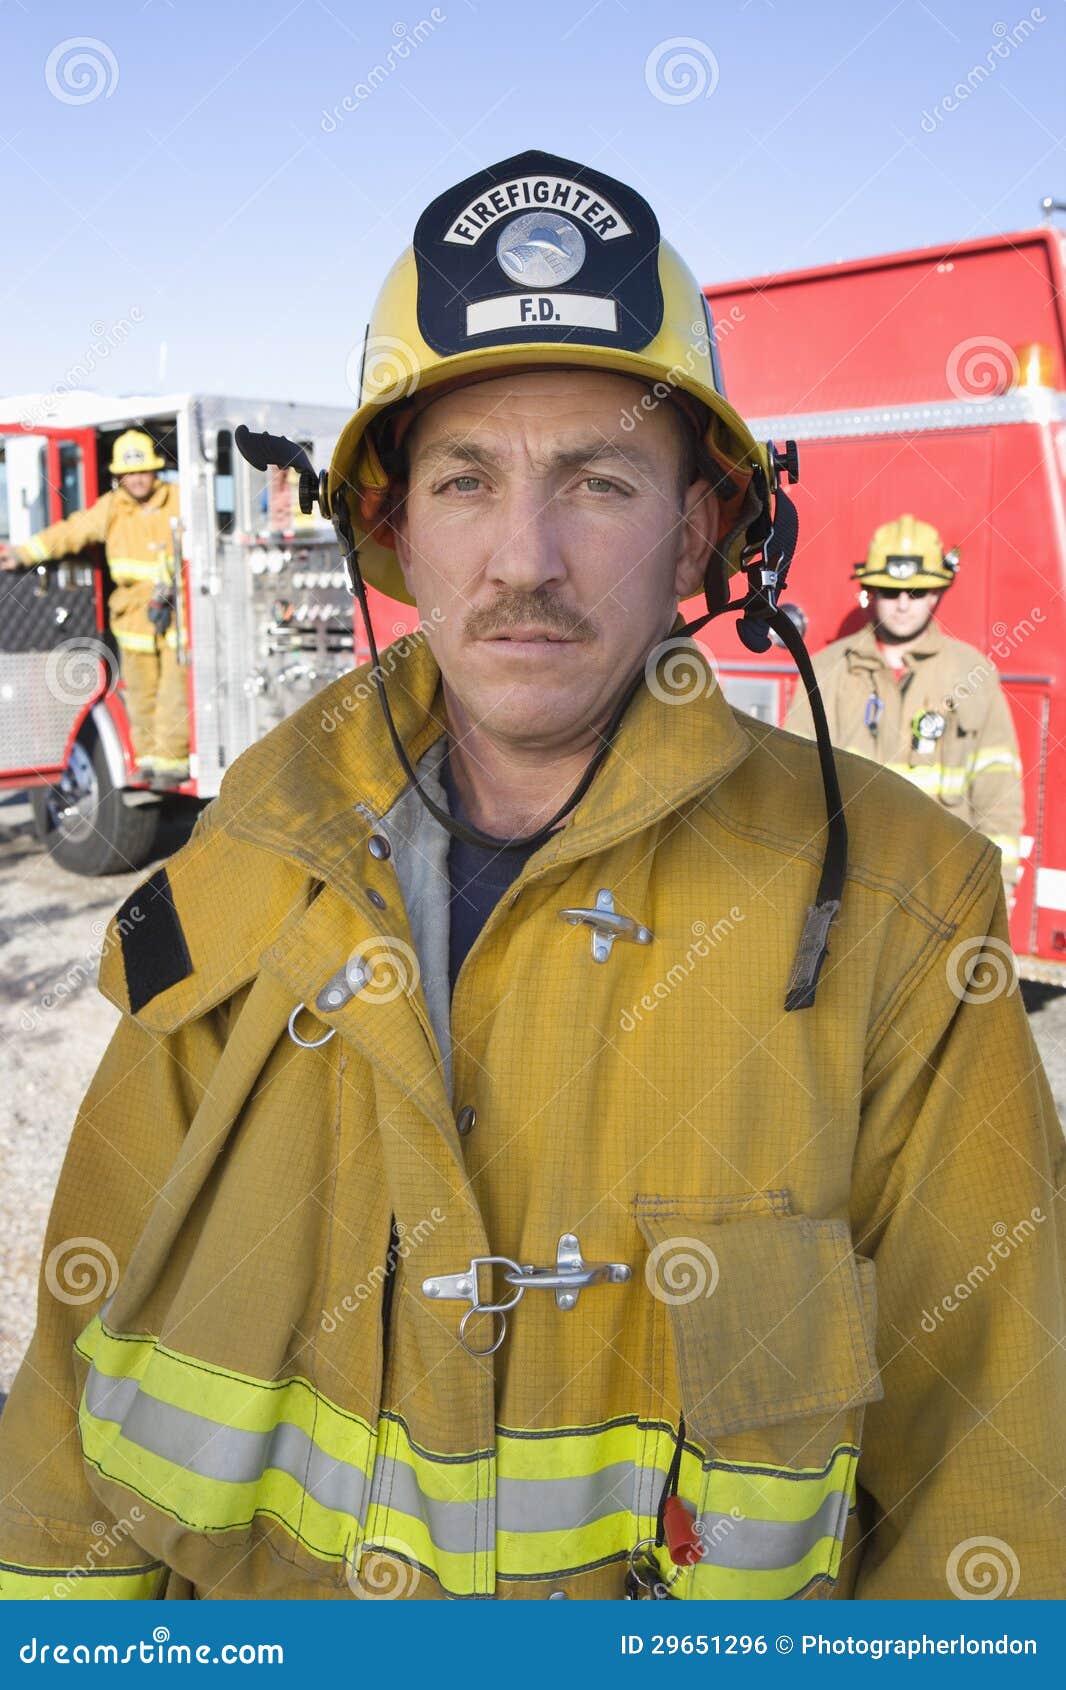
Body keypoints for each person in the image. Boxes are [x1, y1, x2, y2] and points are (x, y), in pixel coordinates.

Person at [0, 150, 1062, 1603]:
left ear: (698, 528)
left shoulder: (892, 901)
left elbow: (1001, 1475)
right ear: (393, 525)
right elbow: (74, 1405)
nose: (523, 557)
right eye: (465, 479)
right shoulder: (257, 849)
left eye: (598, 480)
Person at [784, 516, 1024, 905]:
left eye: (916, 591)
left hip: (942, 890)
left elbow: (999, 795)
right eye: (889, 590)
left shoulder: (973, 673)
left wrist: (1000, 890)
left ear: (936, 594)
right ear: (870, 591)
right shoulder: (827, 670)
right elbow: (794, 783)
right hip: (845, 889)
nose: (902, 603)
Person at [0, 429, 189, 790]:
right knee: (141, 691)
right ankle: (149, 761)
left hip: (175, 615)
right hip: (133, 616)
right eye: (129, 473)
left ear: (154, 471)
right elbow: (72, 532)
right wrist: (25, 553)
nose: (136, 479)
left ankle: (171, 764)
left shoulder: (180, 500)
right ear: (120, 475)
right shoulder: (112, 506)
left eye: (143, 471)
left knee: (175, 691)